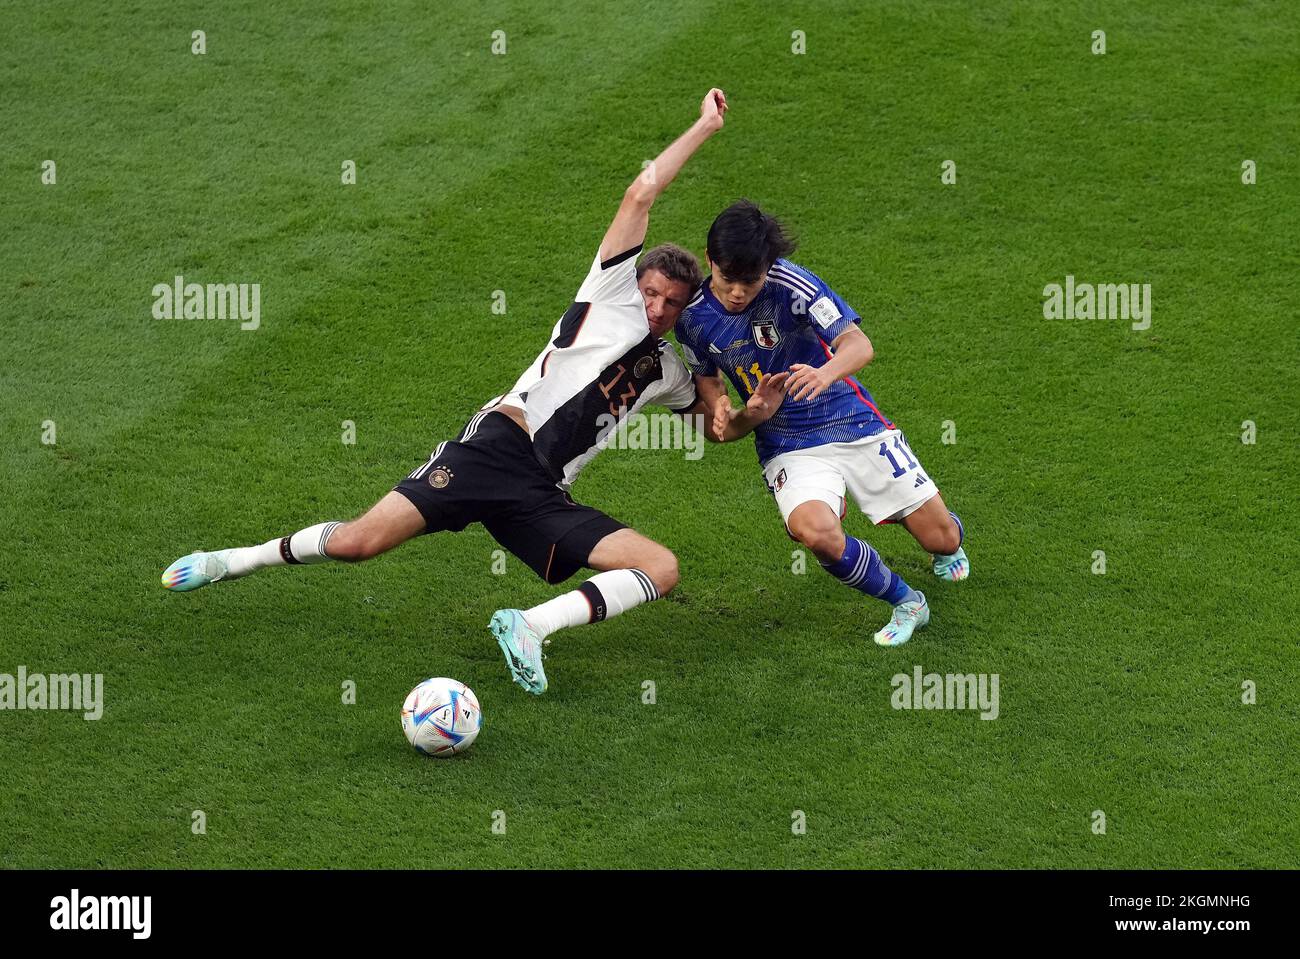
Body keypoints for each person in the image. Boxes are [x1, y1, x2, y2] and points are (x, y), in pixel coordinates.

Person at [162, 89, 783, 692]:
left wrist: (755, 414)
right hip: (495, 450)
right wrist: (704, 127)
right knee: (358, 543)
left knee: (661, 566)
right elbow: (641, 191)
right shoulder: (609, 288)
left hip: (543, 493)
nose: (656, 309)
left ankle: (529, 628)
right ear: (633, 282)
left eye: (671, 304)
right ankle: (234, 560)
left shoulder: (672, 370)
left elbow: (717, 427)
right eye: (650, 295)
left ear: (686, 305)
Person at [670, 199, 969, 647]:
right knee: (817, 533)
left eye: (749, 282)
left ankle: (947, 532)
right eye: (726, 279)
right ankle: (908, 602)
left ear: (768, 267)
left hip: (848, 420)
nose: (736, 292)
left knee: (940, 540)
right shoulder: (692, 318)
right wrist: (720, 406)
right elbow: (707, 379)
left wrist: (824, 373)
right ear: (710, 260)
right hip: (785, 442)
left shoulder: (793, 284)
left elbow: (857, 344)